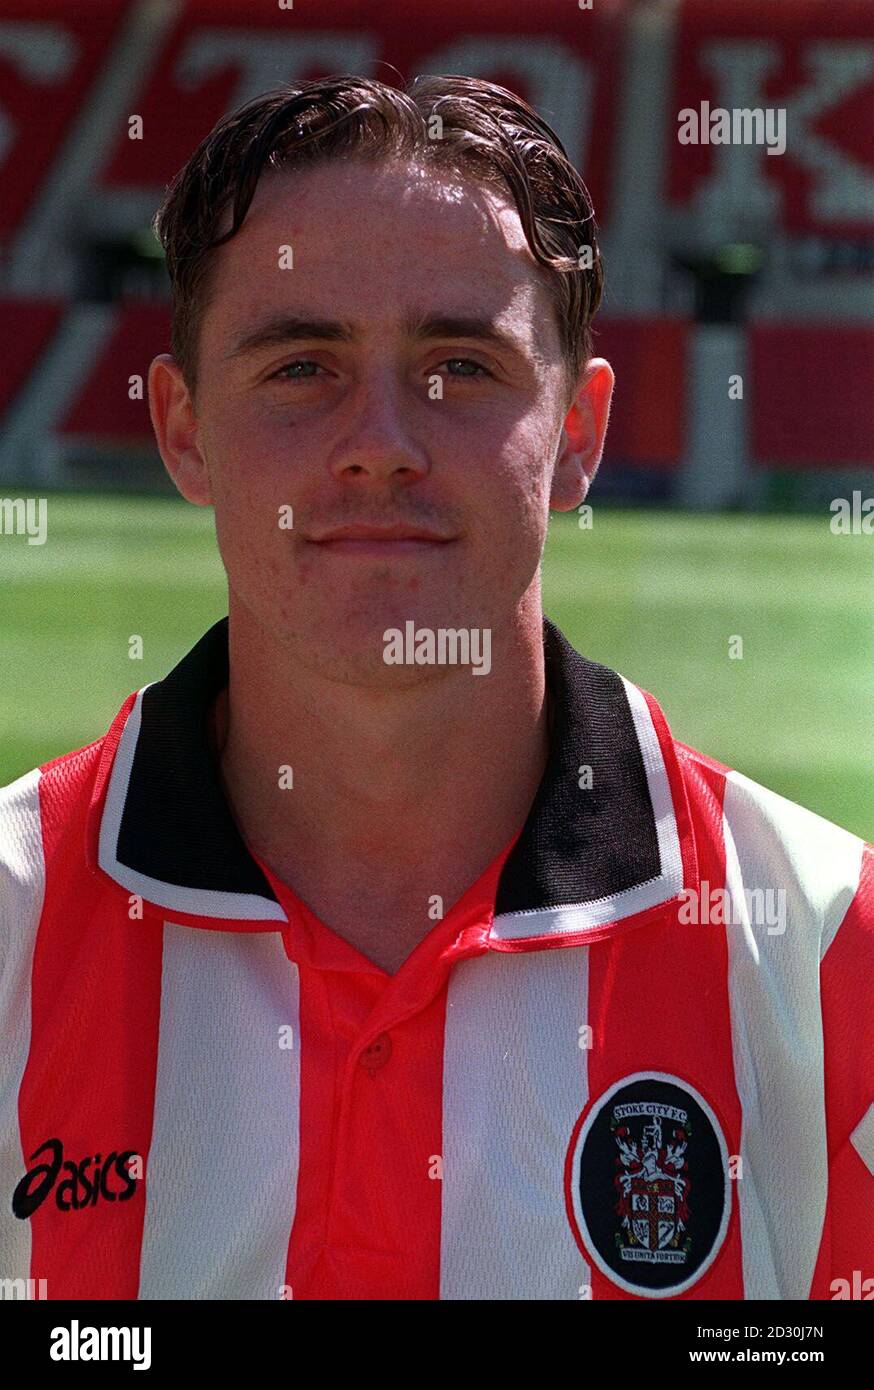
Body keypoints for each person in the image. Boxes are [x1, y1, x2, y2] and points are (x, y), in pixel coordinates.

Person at [1, 75, 870, 1302]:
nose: (383, 441)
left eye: (461, 365)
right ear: (183, 430)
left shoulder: (834, 958)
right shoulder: (10, 927)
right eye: (301, 365)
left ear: (577, 430)